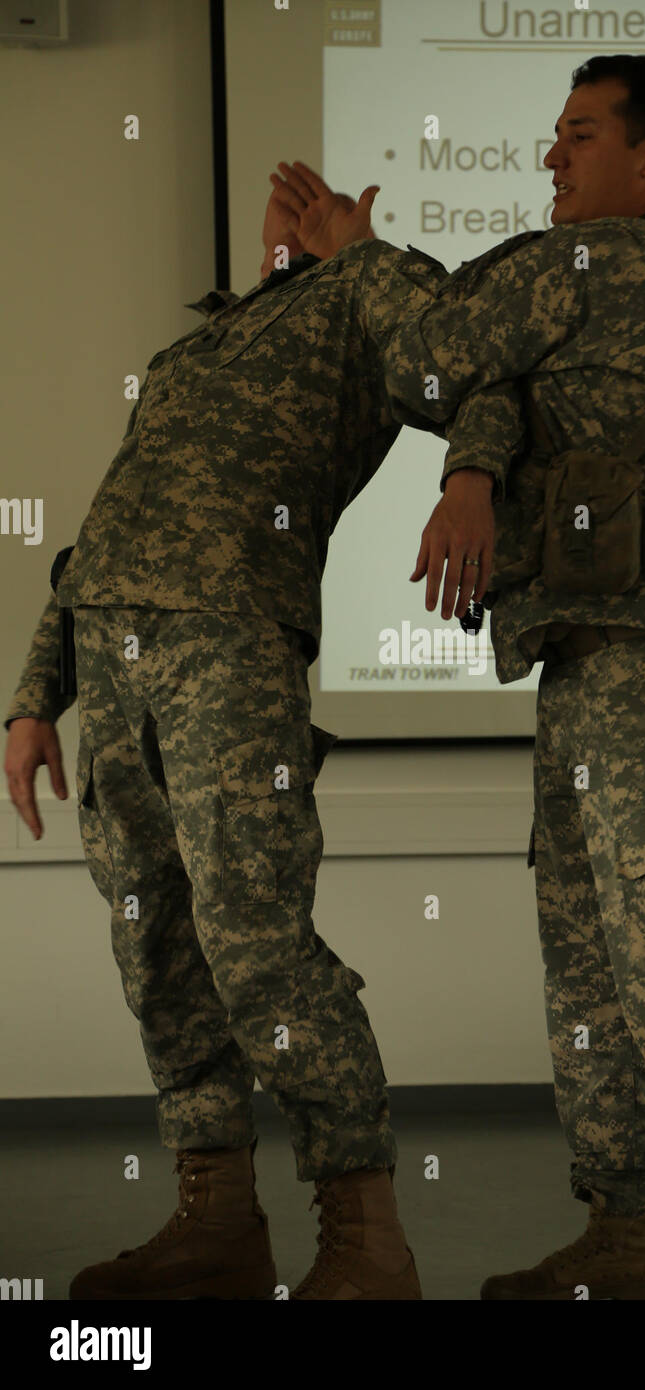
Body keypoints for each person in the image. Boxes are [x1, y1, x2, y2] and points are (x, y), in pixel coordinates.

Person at [292, 54, 645, 1301]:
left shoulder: (617, 257)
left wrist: (358, 251)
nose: (548, 158)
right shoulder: (614, 277)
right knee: (593, 966)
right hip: (598, 659)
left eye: (578, 135)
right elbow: (504, 387)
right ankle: (626, 1241)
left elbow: (433, 351)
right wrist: (473, 463)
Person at [3, 168, 521, 1301]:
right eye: (286, 227)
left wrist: (355, 251)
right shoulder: (192, 359)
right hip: (115, 658)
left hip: (229, 648)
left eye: (306, 223)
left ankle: (365, 1239)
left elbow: (477, 367)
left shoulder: (362, 304)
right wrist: (37, 692)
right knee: (159, 953)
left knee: (255, 946)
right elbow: (100, 529)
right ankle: (218, 1223)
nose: (288, 227)